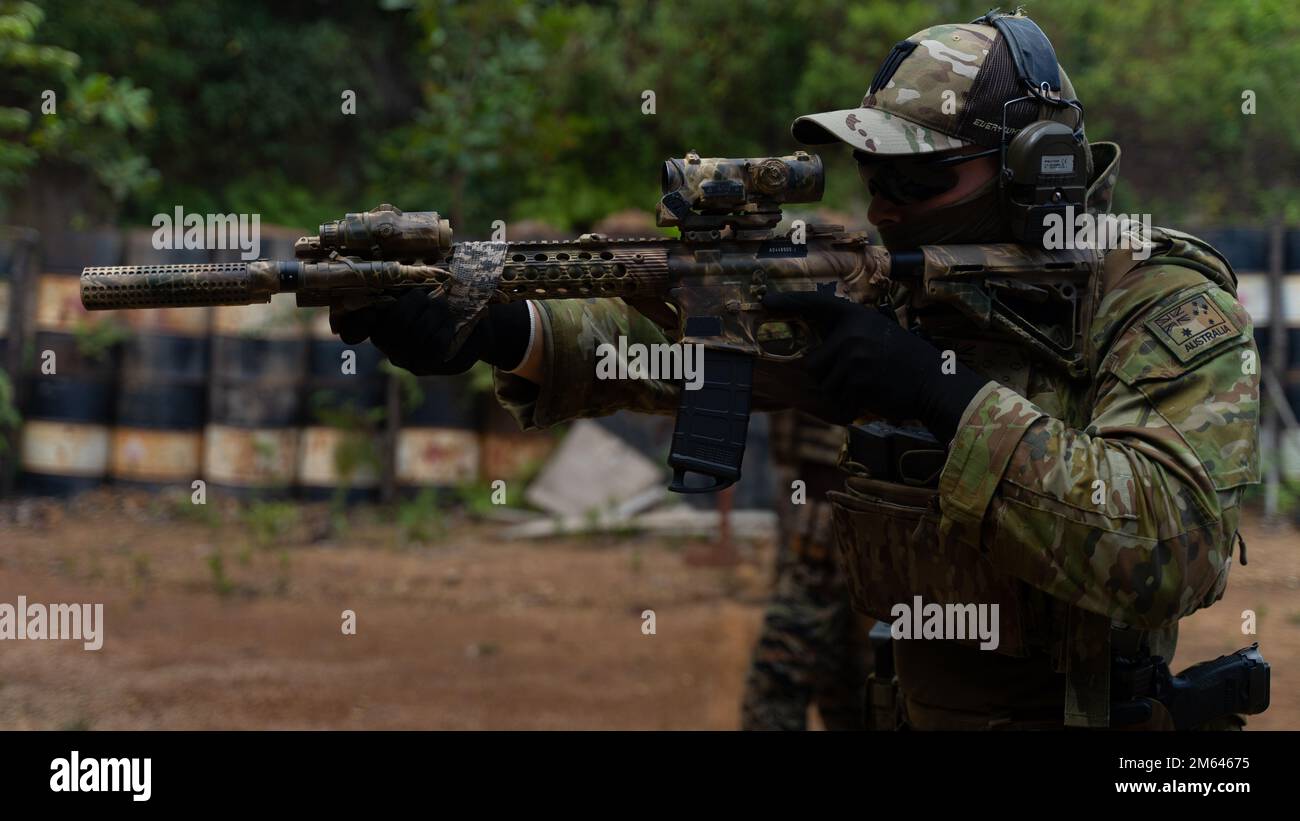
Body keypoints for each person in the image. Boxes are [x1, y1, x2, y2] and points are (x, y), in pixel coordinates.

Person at [334, 11, 1259, 729]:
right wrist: (502, 329)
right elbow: (672, 352)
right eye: (873, 179)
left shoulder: (1157, 300)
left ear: (1037, 173)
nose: (886, 209)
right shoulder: (893, 286)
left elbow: (1169, 544)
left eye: (916, 183)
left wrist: (941, 393)